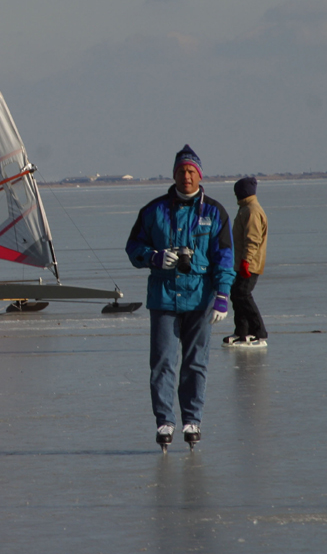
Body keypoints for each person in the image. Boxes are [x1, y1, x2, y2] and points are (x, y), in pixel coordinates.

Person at [125, 145, 235, 451]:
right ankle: (165, 420)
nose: (186, 176)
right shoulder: (153, 211)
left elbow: (225, 257)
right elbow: (132, 248)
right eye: (181, 171)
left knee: (195, 363)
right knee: (162, 362)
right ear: (174, 174)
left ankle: (192, 419)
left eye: (191, 171)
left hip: (200, 299)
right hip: (163, 299)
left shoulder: (215, 213)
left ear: (199, 175)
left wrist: (223, 295)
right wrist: (154, 257)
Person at [223, 177, 268, 347]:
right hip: (241, 262)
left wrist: (246, 262)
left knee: (243, 295)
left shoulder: (252, 210)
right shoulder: (246, 208)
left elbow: (253, 239)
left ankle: (259, 333)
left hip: (249, 264)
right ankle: (242, 332)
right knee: (237, 294)